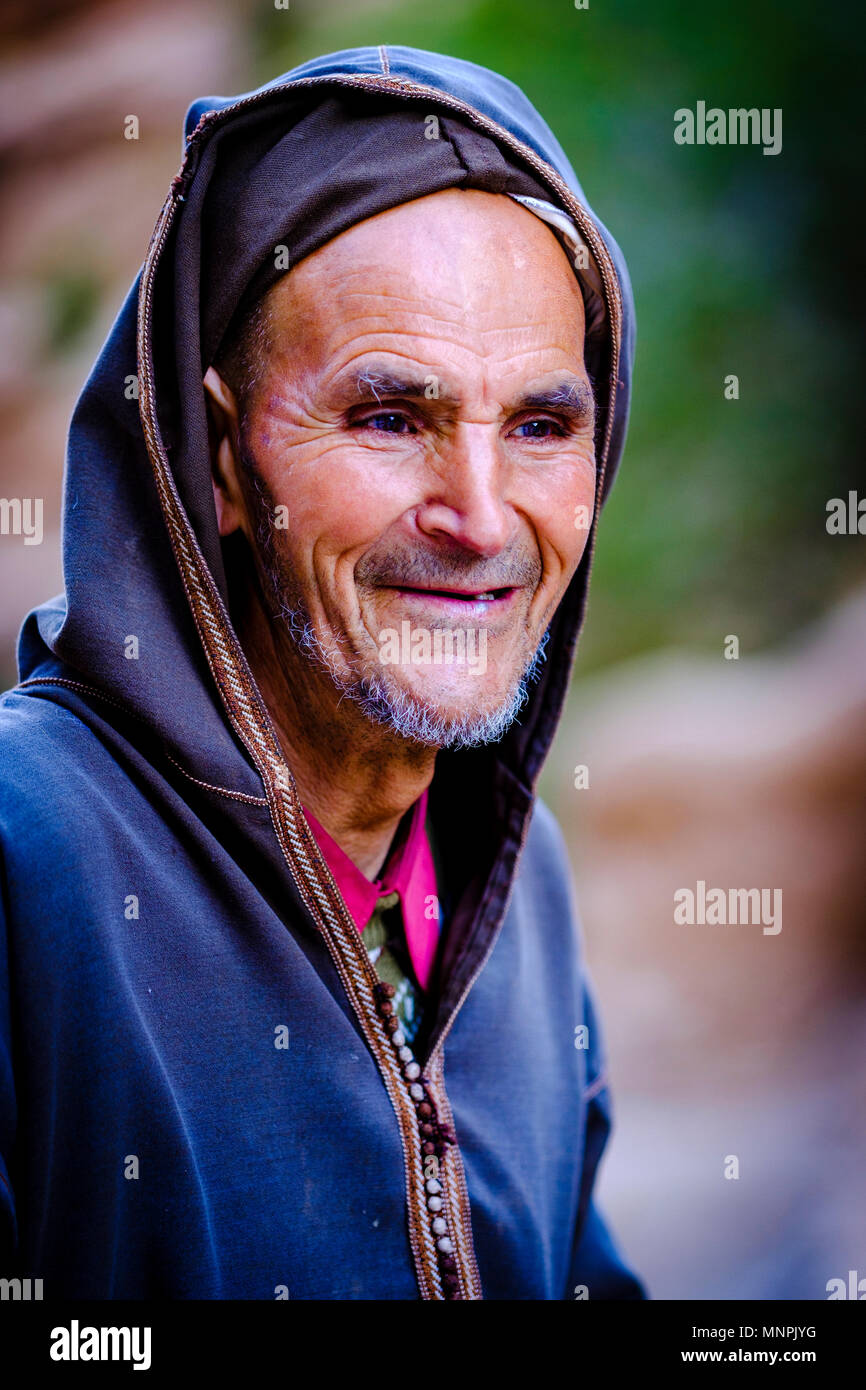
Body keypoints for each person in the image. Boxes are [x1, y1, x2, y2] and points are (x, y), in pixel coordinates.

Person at [0, 45, 643, 1300]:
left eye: (539, 426)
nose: (477, 514)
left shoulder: (514, 879)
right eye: (391, 418)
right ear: (222, 457)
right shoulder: (26, 865)